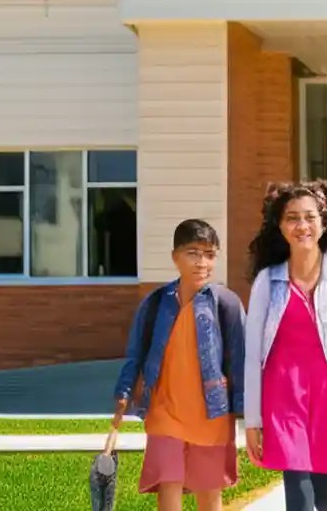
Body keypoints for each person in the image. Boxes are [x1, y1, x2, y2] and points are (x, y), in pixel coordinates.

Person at [242, 182, 327, 511]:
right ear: (280, 226)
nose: (301, 226)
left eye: (309, 217)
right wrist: (252, 421)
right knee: (299, 497)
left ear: (323, 222)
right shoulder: (267, 281)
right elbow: (252, 356)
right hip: (283, 401)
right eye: (292, 218)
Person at [113, 219, 246, 511]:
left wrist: (246, 413)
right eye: (193, 253)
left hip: (210, 417)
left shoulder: (226, 304)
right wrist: (123, 392)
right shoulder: (156, 303)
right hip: (165, 413)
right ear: (175, 257)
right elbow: (136, 353)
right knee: (168, 491)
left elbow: (239, 362)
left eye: (210, 254)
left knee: (209, 497)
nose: (202, 262)